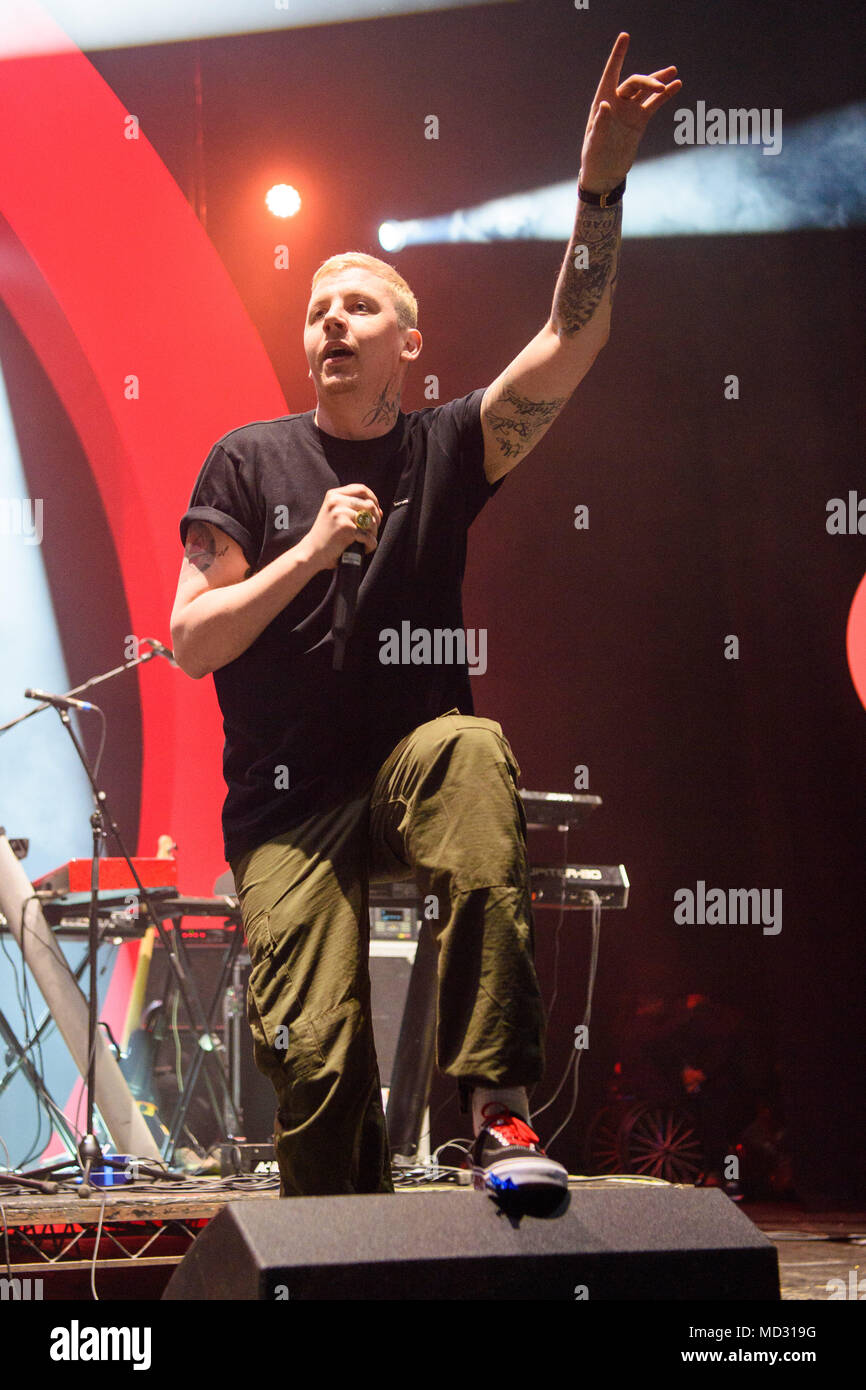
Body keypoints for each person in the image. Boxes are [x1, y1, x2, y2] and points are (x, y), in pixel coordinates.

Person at [170, 33, 680, 1198]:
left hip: (407, 766)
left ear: (409, 342)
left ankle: (497, 1112)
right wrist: (309, 550)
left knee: (468, 749)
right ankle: (342, 1240)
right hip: (287, 806)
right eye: (315, 310)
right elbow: (192, 639)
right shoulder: (245, 462)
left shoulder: (447, 445)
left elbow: (573, 336)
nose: (331, 323)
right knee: (318, 1063)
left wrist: (598, 182)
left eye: (359, 307)